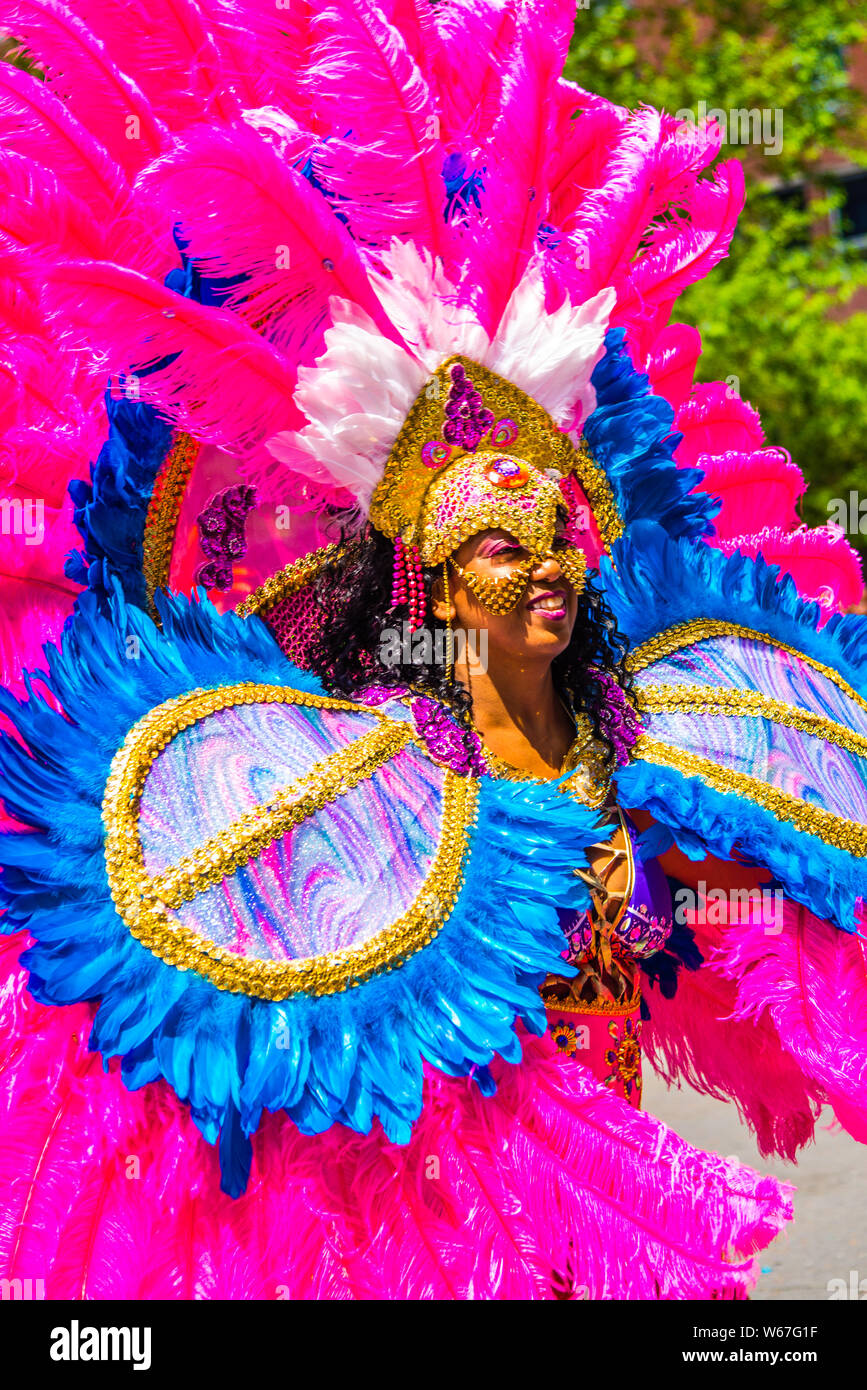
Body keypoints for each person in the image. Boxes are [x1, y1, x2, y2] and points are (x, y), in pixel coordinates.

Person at [1, 0, 865, 1301]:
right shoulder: (372, 785)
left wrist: (678, 884)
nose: (554, 568)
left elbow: (732, 889)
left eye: (559, 536)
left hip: (601, 1181)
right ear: (446, 587)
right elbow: (265, 1024)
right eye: (507, 550)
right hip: (451, 1234)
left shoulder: (641, 725)